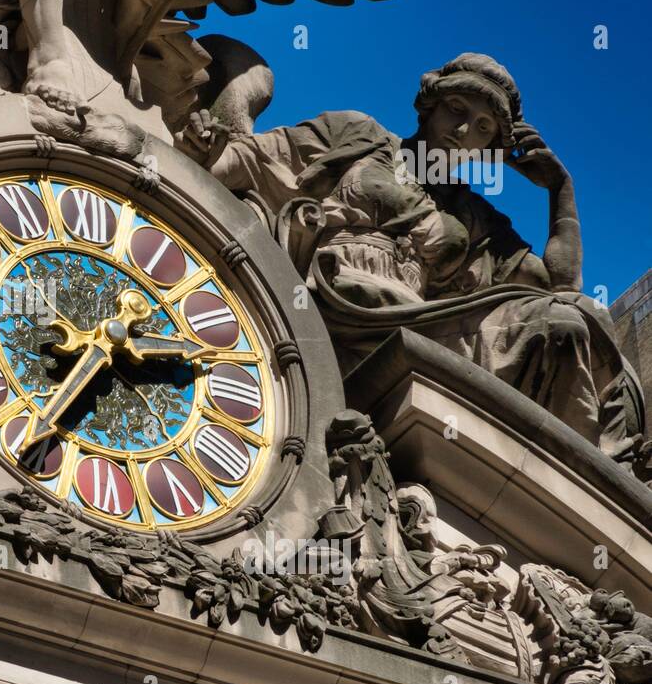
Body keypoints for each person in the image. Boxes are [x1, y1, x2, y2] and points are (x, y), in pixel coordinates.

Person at [181, 52, 646, 465]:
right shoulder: (359, 135)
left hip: (424, 327)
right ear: (430, 104)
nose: (463, 132)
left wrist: (561, 191)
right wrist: (203, 149)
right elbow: (254, 159)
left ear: (490, 150)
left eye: (483, 129)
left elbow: (561, 287)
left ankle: (573, 490)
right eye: (457, 110)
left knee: (566, 323)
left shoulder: (476, 219)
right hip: (337, 300)